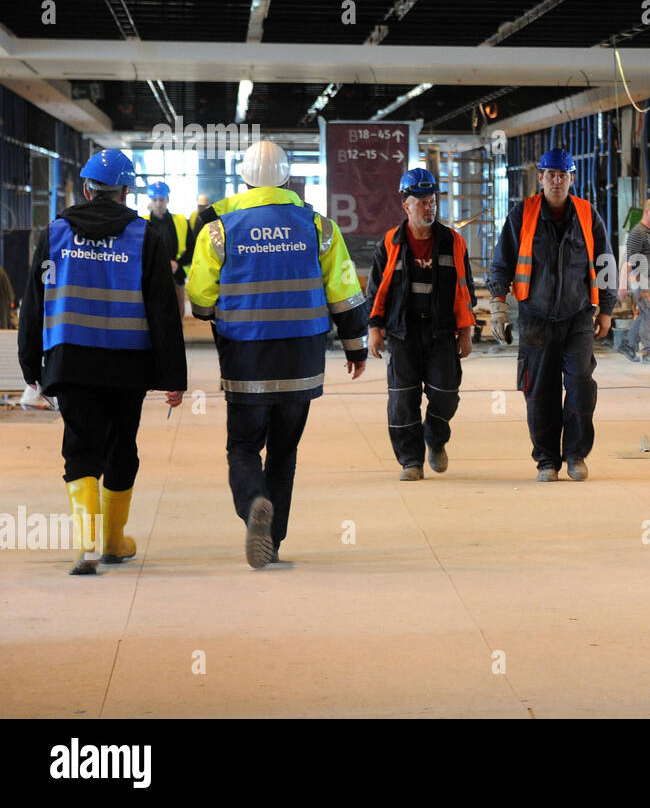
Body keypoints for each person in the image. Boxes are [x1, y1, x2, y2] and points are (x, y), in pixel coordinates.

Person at [187, 140, 368, 569]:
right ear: (288, 180)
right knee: (284, 455)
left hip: (245, 358)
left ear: (245, 180)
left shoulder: (218, 228)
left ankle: (254, 502)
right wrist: (355, 345)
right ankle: (276, 542)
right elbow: (344, 291)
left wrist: (218, 309)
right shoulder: (318, 227)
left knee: (244, 448)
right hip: (302, 362)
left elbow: (199, 299)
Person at [17, 149, 186, 575]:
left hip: (69, 360)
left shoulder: (54, 233)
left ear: (88, 189)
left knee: (80, 445)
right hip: (128, 364)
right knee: (121, 446)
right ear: (126, 192)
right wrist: (173, 375)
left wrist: (30, 367)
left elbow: (33, 303)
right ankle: (113, 540)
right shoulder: (145, 237)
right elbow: (163, 312)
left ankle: (90, 544)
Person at [488, 148, 617, 482]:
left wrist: (606, 309)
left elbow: (605, 263)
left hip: (578, 316)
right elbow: (502, 261)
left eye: (563, 175)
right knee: (540, 391)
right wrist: (498, 305)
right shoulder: (523, 214)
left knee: (580, 386)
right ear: (541, 178)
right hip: (535, 317)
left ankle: (575, 454)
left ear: (572, 179)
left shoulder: (588, 215)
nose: (557, 181)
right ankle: (547, 460)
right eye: (551, 175)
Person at [366, 168, 476, 480]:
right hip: (403, 332)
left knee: (446, 392)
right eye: (422, 202)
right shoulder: (390, 243)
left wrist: (466, 332)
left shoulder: (453, 242)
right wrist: (374, 329)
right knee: (403, 399)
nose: (430, 207)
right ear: (406, 206)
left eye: (433, 201)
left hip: (441, 332)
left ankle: (435, 437)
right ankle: (410, 461)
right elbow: (376, 290)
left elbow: (464, 290)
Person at [617, 198, 650, 364]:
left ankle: (628, 344)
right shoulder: (637, 233)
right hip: (644, 281)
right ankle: (648, 352)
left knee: (647, 314)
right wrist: (622, 286)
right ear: (646, 212)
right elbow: (628, 261)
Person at [142, 180, 194, 317]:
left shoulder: (182, 221)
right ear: (150, 201)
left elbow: (191, 249)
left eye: (162, 199)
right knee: (156, 316)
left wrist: (178, 263)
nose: (159, 204)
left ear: (168, 199)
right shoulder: (142, 224)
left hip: (176, 277)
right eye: (155, 200)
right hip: (153, 278)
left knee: (177, 315)